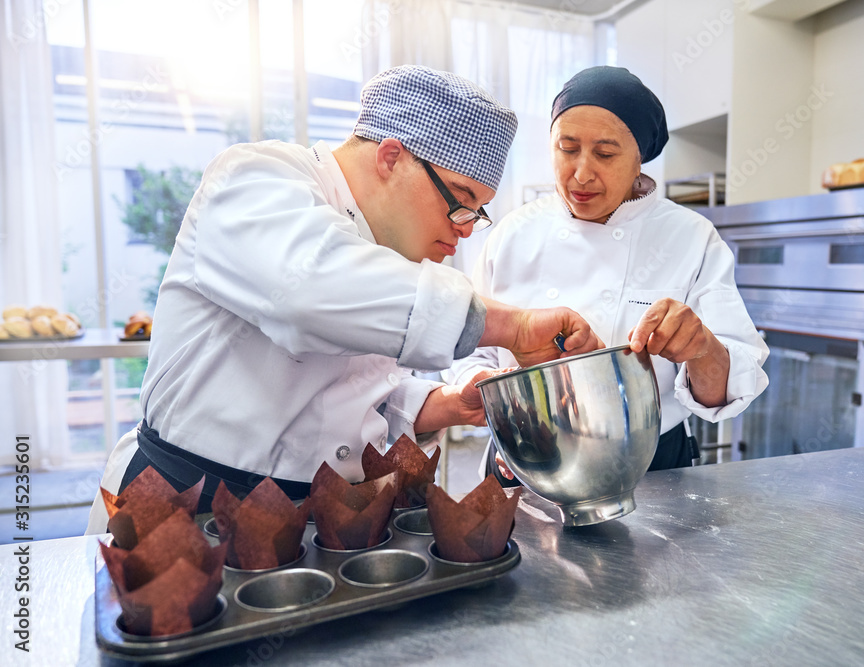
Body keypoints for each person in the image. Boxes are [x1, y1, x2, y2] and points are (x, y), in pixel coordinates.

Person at [85, 65, 603, 532]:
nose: (465, 230)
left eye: (478, 212)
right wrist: (511, 327)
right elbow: (307, 295)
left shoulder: (383, 252)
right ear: (391, 156)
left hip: (313, 514)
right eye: (459, 202)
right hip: (184, 504)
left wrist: (444, 405)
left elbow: (339, 395)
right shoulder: (254, 178)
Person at [447, 66, 769, 485]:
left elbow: (730, 389)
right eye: (566, 148)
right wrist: (497, 397)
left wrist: (702, 349)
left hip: (649, 468)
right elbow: (470, 348)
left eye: (605, 154)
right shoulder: (512, 233)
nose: (581, 174)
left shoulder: (691, 237)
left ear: (640, 159)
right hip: (526, 458)